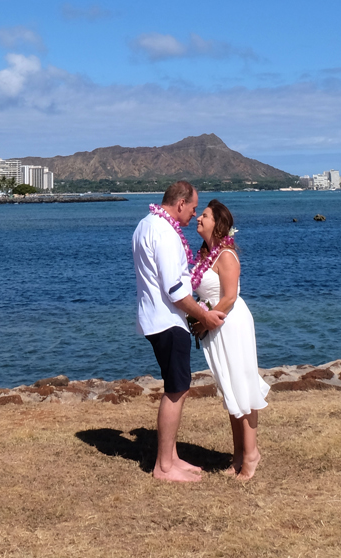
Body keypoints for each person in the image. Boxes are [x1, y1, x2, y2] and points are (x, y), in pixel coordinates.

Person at [132, 180, 225, 483]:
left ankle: (171, 457)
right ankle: (164, 466)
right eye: (194, 209)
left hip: (156, 319)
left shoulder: (145, 225)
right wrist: (205, 316)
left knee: (178, 386)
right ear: (180, 203)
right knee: (176, 390)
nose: (193, 216)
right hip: (167, 321)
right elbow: (175, 290)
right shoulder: (166, 233)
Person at [191, 197, 269, 479]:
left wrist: (203, 322)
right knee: (230, 388)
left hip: (230, 323)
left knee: (242, 386)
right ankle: (237, 456)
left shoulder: (226, 255)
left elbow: (230, 296)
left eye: (205, 216)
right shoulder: (204, 255)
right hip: (215, 325)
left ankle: (251, 456)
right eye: (200, 215)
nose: (199, 218)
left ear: (219, 224)